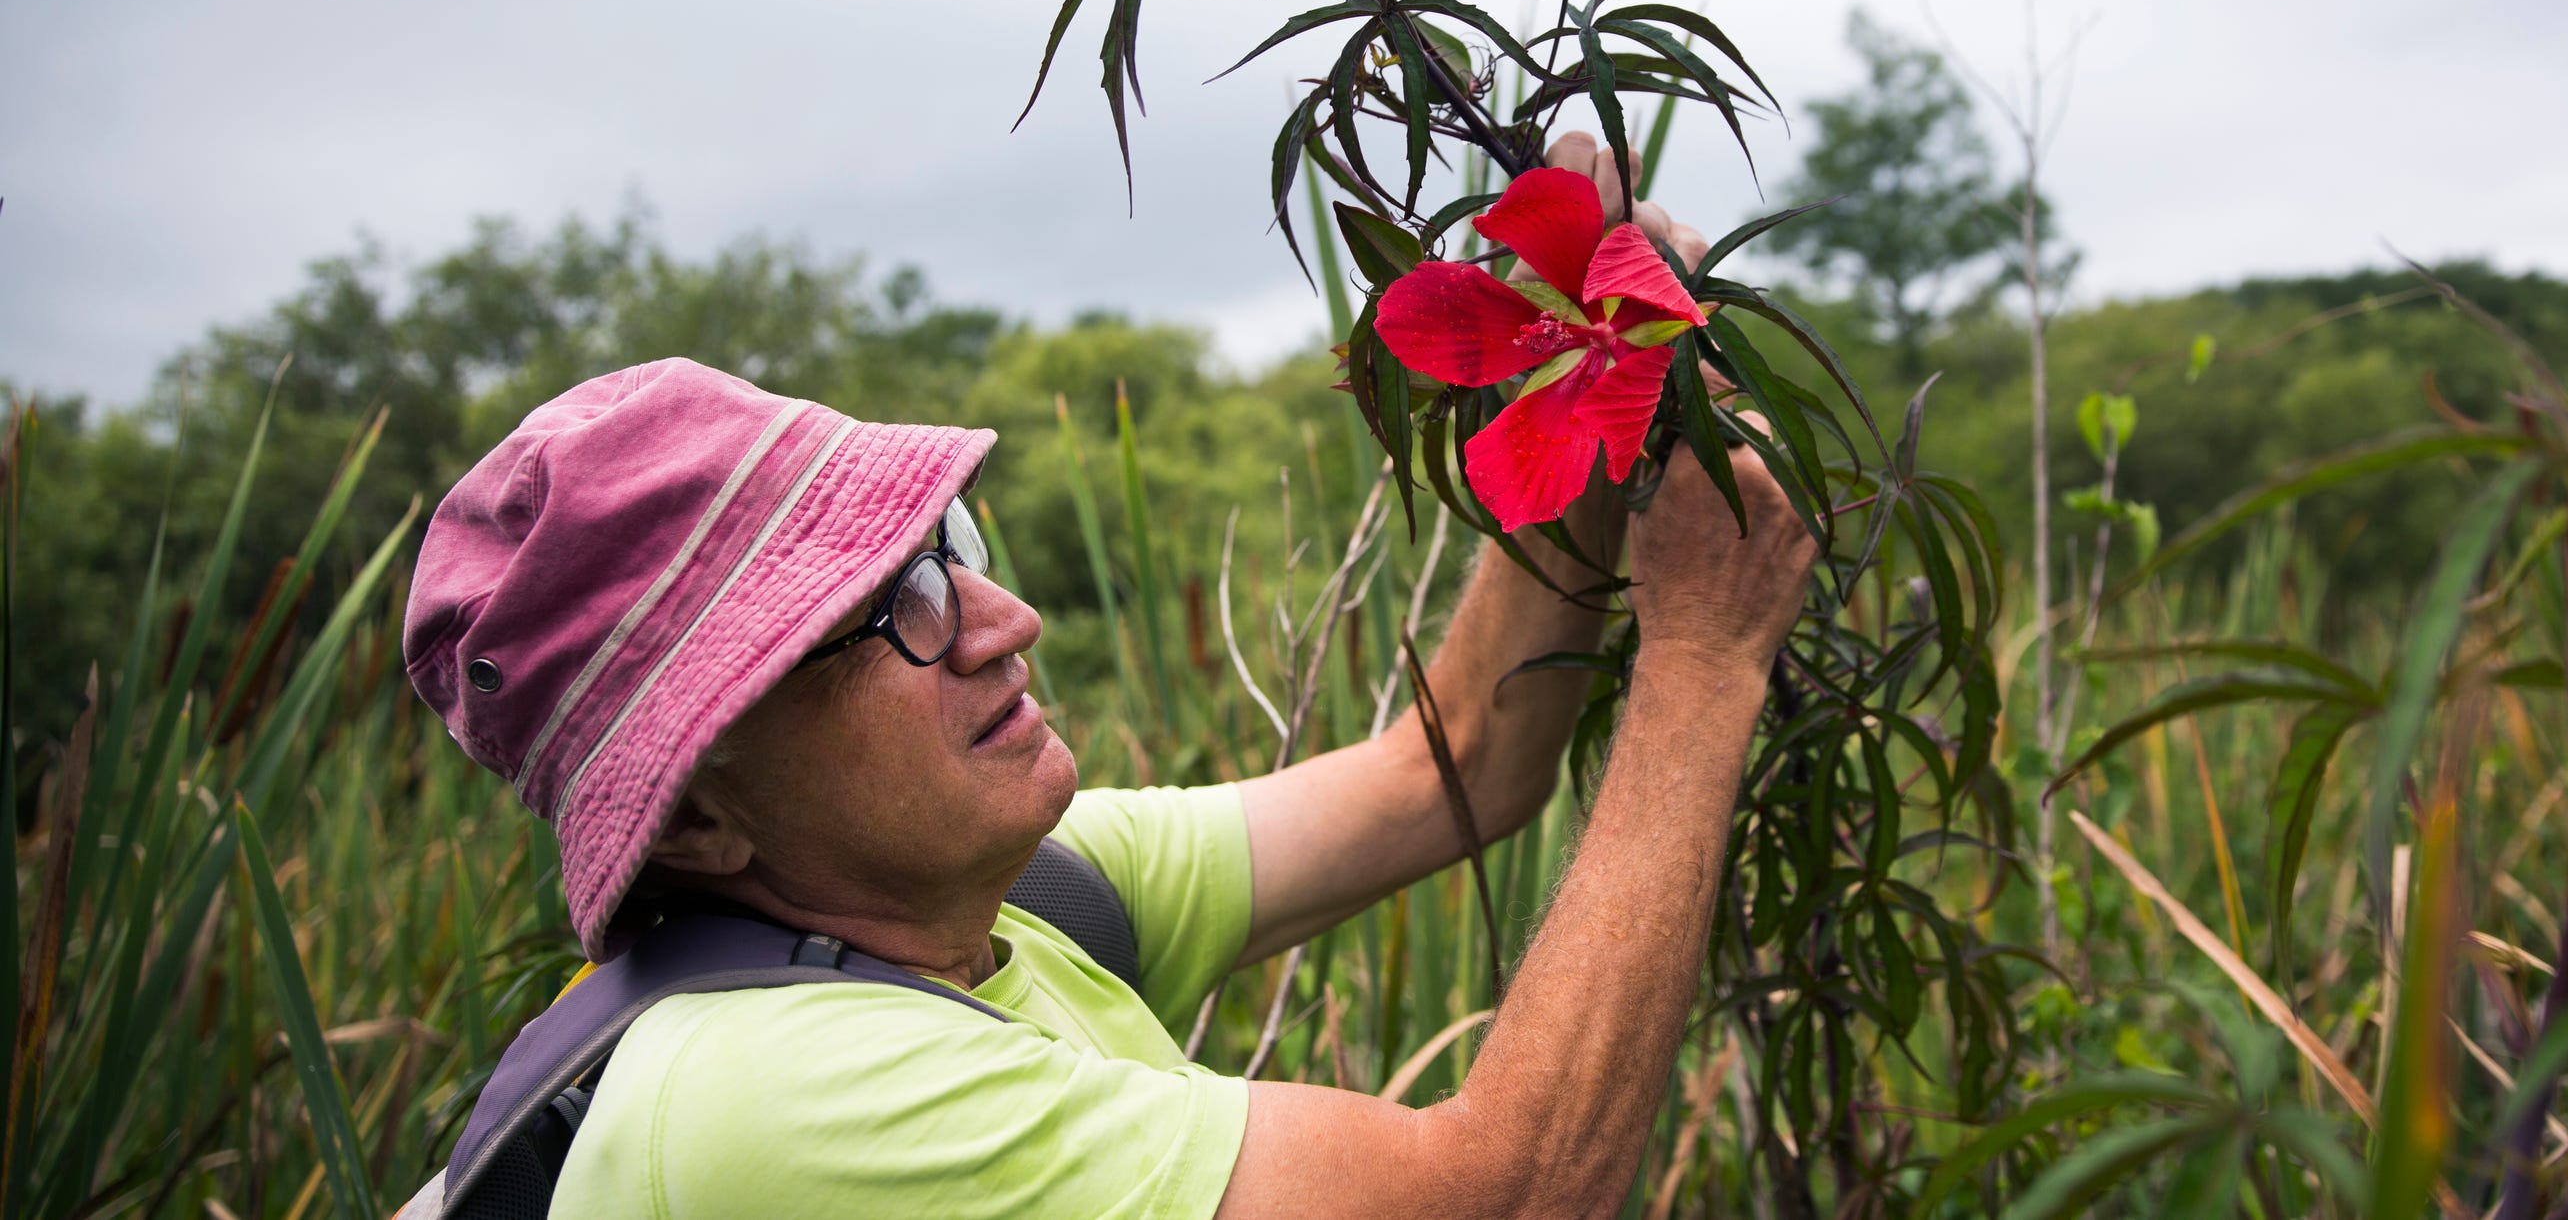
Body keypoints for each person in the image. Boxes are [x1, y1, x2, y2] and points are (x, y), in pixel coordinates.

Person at [399, 135, 1816, 1219]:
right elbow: (1502, 1196)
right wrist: (1701, 651)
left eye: (944, 548)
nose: (1000, 619)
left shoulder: (1007, 891)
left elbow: (1448, 773)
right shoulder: (775, 1095)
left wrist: (1582, 368)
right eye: (886, 610)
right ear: (701, 818)